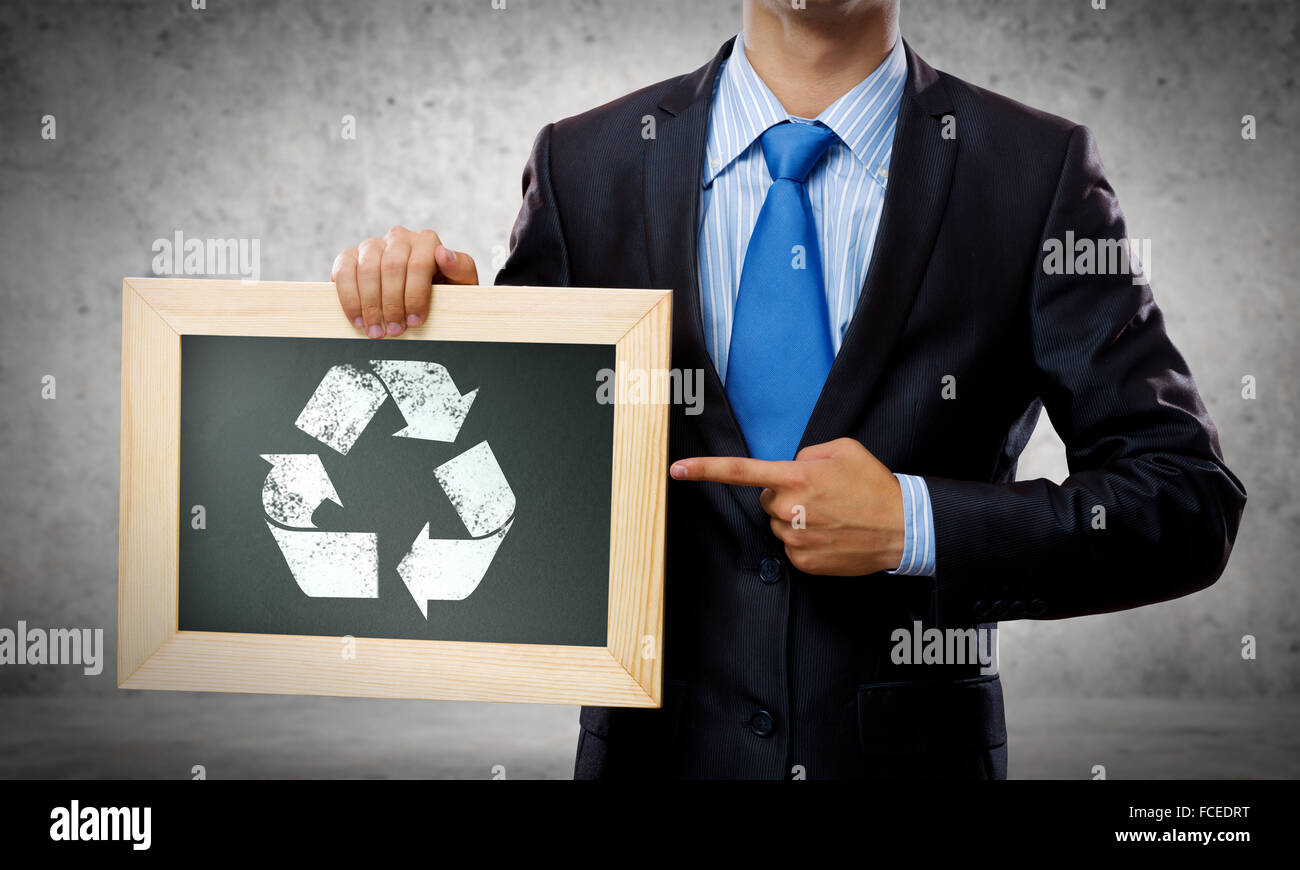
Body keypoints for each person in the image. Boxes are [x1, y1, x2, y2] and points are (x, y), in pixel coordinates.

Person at [330, 0, 1247, 779]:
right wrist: (443, 345)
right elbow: (525, 493)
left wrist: (914, 523)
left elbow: (1185, 500)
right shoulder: (585, 162)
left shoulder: (1032, 171)